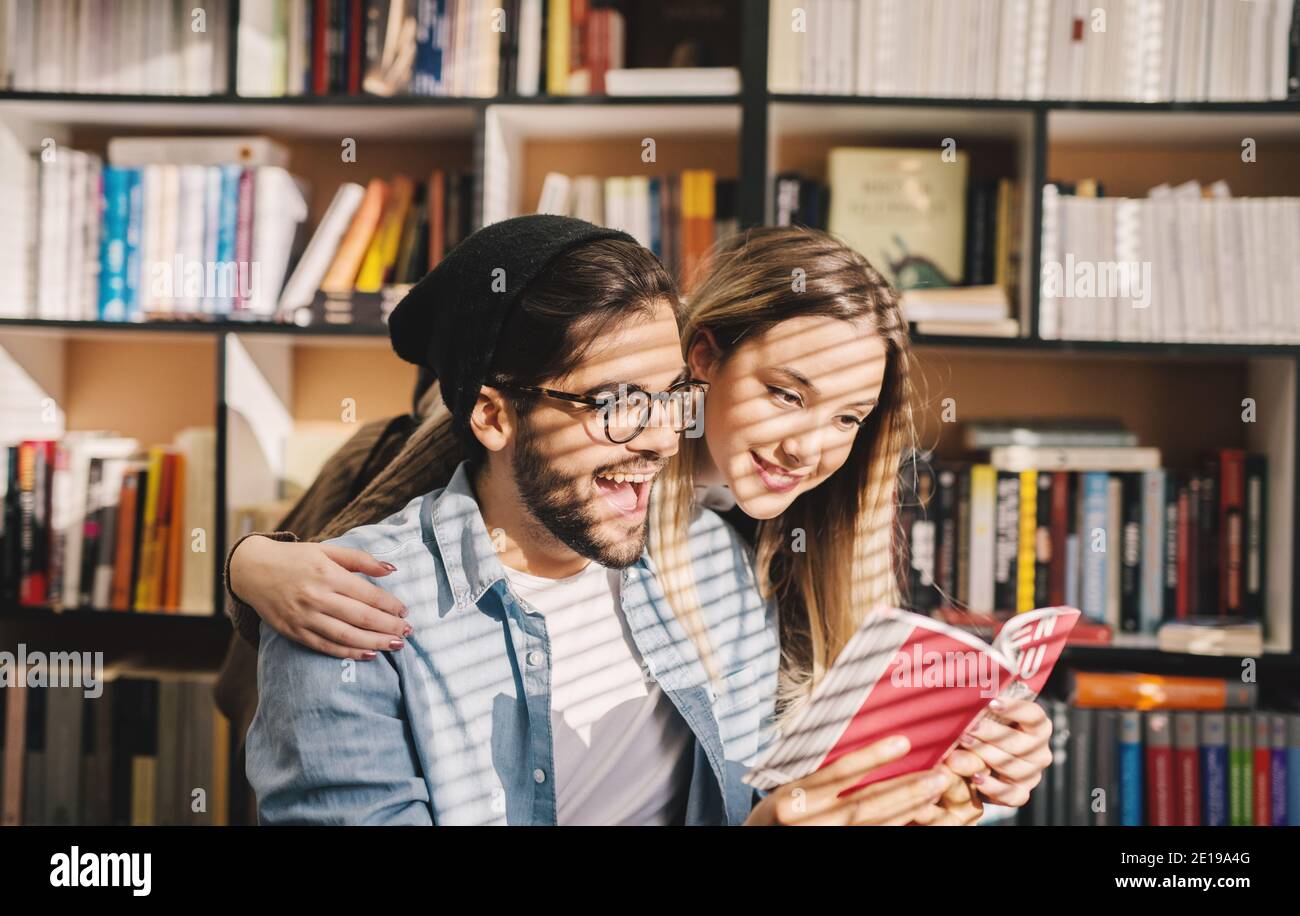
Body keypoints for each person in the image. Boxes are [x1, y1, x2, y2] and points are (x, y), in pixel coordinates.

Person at [245, 215, 969, 825]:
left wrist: (957, 766)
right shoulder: (356, 604)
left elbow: (771, 780)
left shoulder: (720, 558)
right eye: (617, 405)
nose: (659, 438)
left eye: (668, 400)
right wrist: (250, 562)